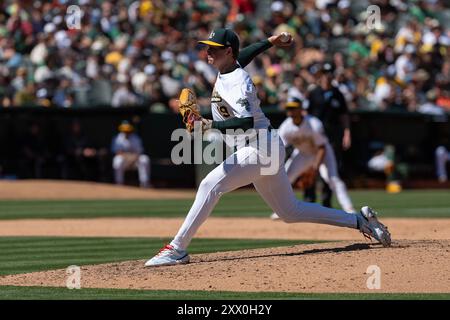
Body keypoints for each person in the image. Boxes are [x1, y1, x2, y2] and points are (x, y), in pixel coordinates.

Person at [145, 29, 390, 267]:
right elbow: (246, 54)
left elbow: (246, 122)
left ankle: (177, 249)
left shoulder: (239, 81)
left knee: (210, 184)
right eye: (207, 48)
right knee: (290, 212)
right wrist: (270, 41)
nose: (208, 52)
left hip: (260, 149)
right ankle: (360, 222)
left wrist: (208, 124)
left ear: (228, 51)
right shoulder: (230, 65)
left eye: (214, 49)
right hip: (265, 146)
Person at [270, 97, 355, 221]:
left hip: (323, 153)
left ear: (301, 109)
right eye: (289, 108)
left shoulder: (313, 124)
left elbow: (322, 148)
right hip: (303, 153)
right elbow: (279, 148)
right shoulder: (286, 127)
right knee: (287, 177)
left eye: (294, 108)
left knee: (332, 178)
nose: (291, 111)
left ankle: (349, 209)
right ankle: (281, 210)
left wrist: (314, 168)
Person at [305, 62, 352, 208]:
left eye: (329, 73)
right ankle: (309, 200)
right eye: (324, 73)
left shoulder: (338, 94)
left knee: (331, 170)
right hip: (314, 137)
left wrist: (347, 133)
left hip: (332, 136)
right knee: (310, 167)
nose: (327, 76)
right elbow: (306, 114)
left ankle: (326, 202)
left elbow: (344, 115)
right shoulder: (314, 92)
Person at [111, 120, 151, 188]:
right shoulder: (117, 138)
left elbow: (139, 152)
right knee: (117, 160)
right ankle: (119, 183)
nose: (126, 132)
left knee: (144, 159)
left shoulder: (136, 138)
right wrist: (127, 157)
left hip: (134, 159)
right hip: (124, 159)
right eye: (124, 130)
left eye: (127, 130)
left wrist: (133, 158)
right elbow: (117, 151)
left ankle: (144, 183)